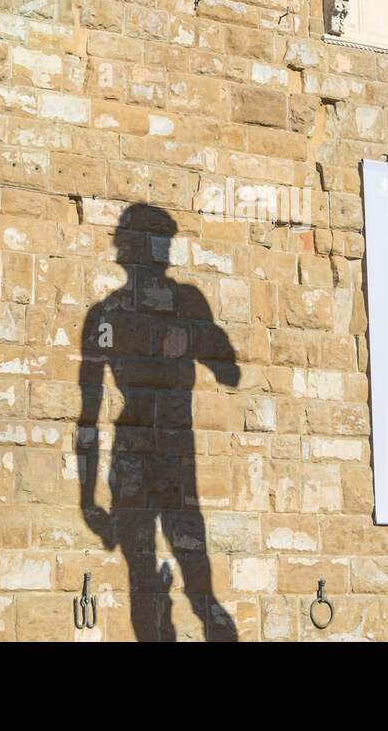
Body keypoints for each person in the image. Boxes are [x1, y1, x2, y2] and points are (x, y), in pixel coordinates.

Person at [79, 204, 241, 640]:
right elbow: (88, 407)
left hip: (173, 459)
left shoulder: (184, 303)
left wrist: (192, 338)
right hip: (133, 458)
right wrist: (87, 496)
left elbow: (231, 371)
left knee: (198, 583)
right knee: (145, 585)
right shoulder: (106, 316)